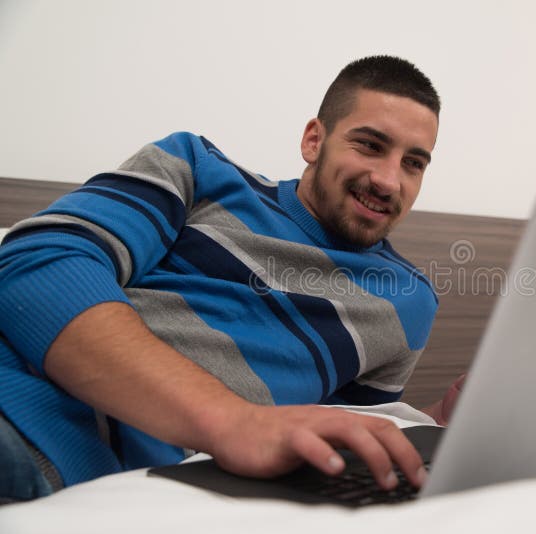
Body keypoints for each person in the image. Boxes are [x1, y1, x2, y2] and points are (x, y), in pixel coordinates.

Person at [0, 55, 463, 503]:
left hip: (85, 476)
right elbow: (35, 262)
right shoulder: (197, 168)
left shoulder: (409, 301)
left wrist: (438, 422)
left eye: (413, 163)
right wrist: (232, 422)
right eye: (370, 145)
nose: (389, 181)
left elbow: (343, 427)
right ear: (313, 141)